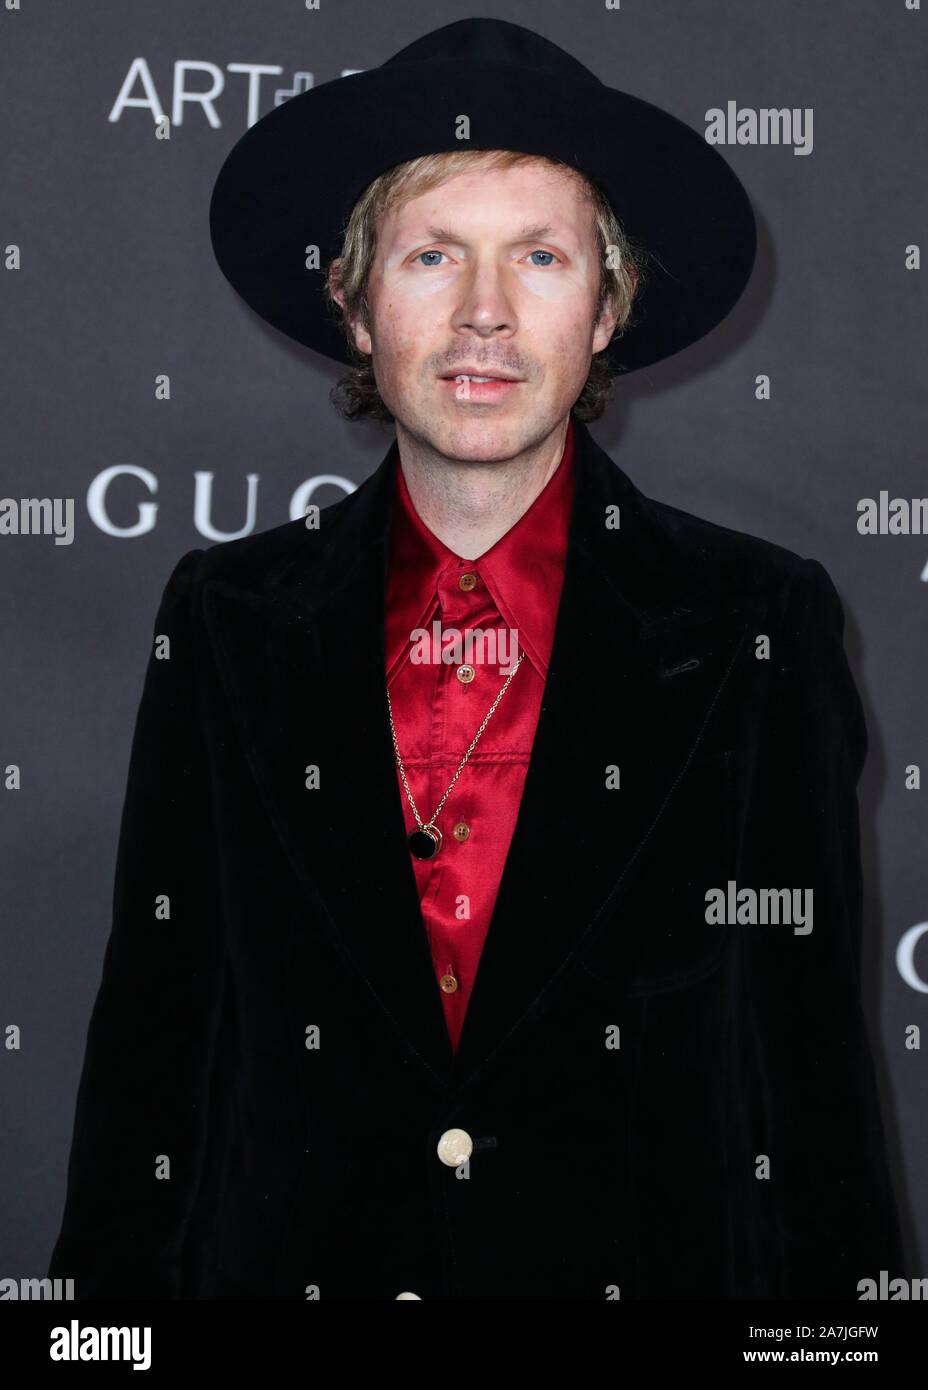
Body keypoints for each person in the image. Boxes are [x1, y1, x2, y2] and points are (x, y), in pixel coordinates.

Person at [49, 18, 903, 1299]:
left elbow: (807, 1076)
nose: (484, 314)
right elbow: (157, 1057)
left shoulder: (754, 624)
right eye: (433, 253)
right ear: (351, 304)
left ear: (608, 306)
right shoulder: (225, 616)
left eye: (541, 256)